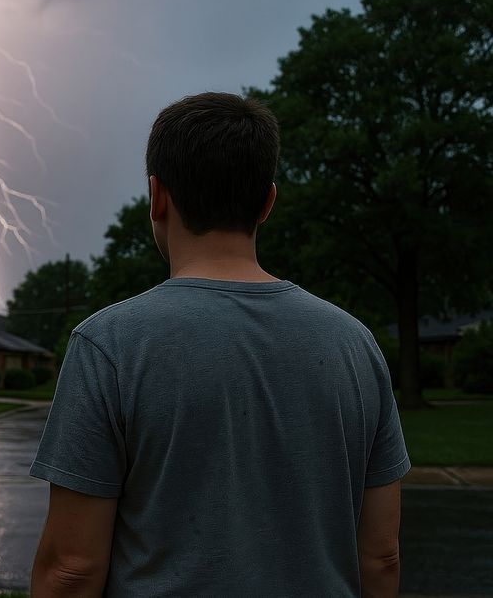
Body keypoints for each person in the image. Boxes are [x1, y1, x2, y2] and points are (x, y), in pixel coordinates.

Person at [29, 93, 409, 596]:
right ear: (267, 202)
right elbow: (382, 556)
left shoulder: (108, 346)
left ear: (156, 196)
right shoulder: (355, 344)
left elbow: (72, 569)